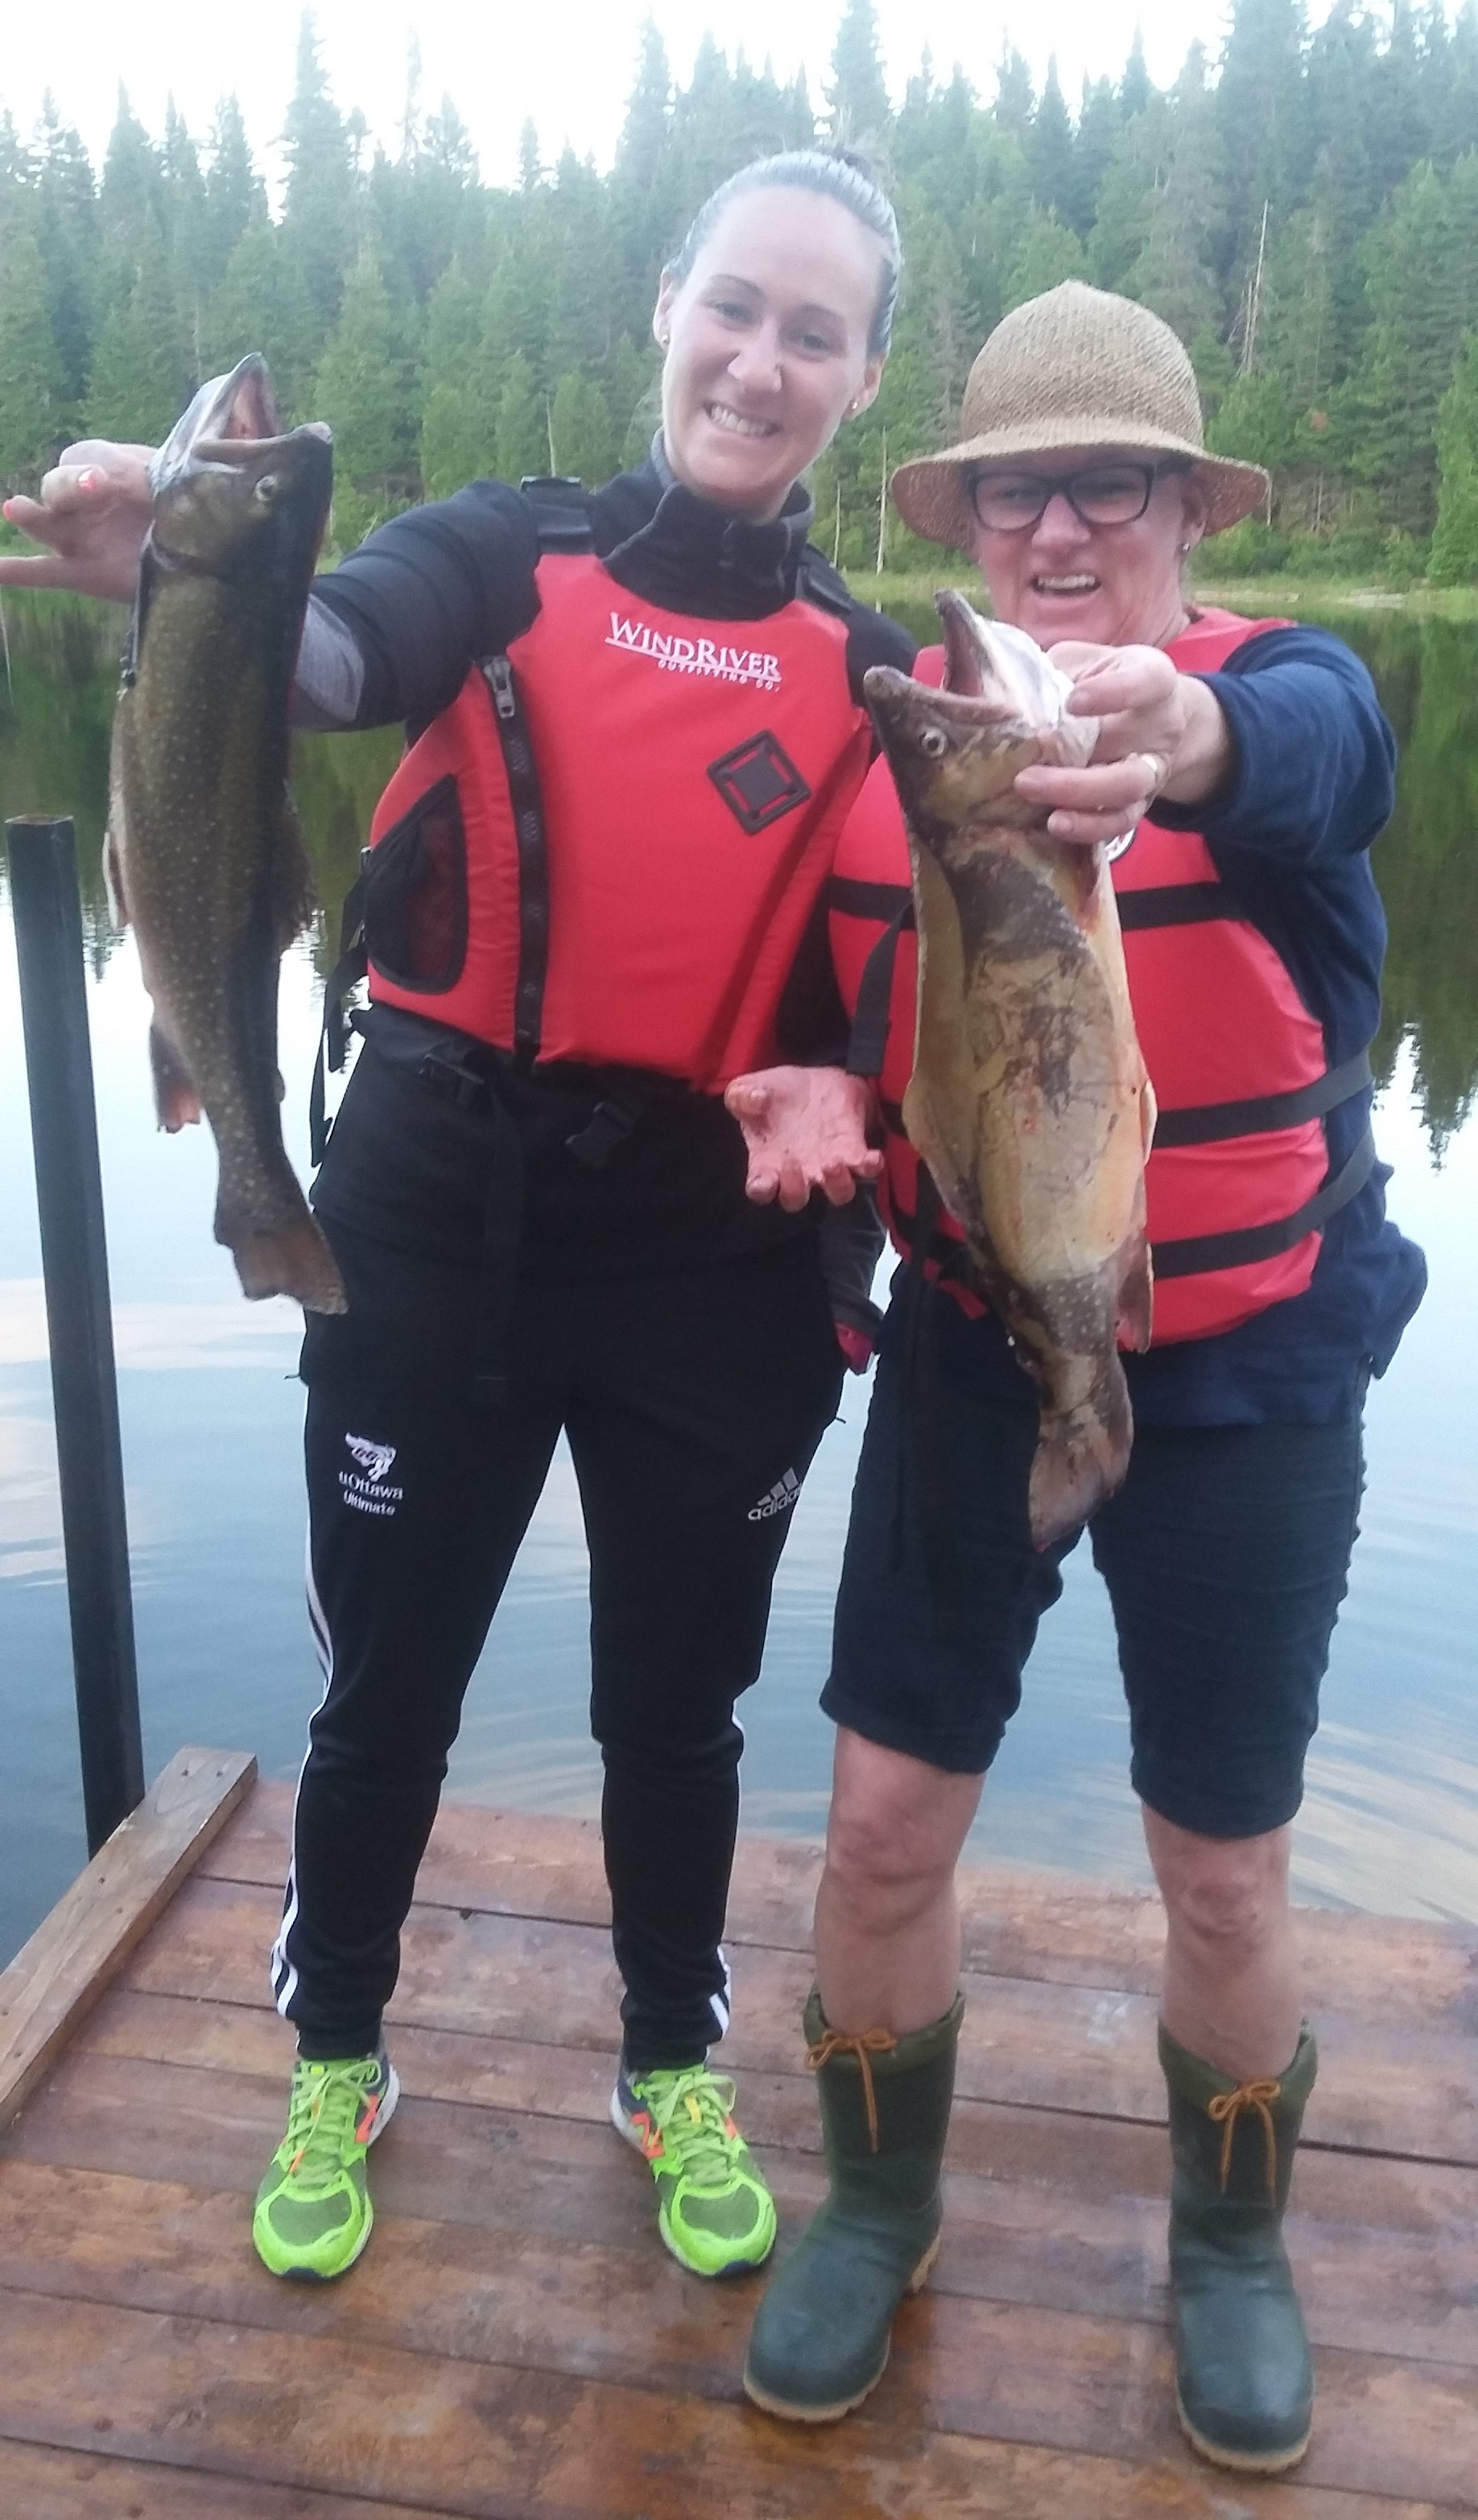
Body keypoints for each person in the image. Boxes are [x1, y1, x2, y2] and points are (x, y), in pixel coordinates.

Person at [0, 150, 907, 2288]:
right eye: (733, 306)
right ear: (661, 311)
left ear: (860, 381)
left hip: (715, 1254)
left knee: (675, 1705)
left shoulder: (861, 662)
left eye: (813, 331)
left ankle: (667, 2057)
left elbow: (909, 962)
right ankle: (341, 2048)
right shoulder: (497, 551)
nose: (758, 361)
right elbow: (314, 649)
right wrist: (175, 569)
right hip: (423, 1208)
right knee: (382, 1688)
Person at [737, 282, 1426, 2471]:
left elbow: (1317, 751)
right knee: (874, 1821)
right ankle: (875, 2201)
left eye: (1103, 485)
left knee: (1221, 1865)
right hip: (977, 1345)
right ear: (968, 511)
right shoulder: (909, 763)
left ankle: (1226, 2248)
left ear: (1176, 517)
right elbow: (842, 1031)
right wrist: (798, 1096)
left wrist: (1178, 749)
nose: (1054, 528)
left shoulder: (1273, 706)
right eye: (1015, 487)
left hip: (1249, 1384)